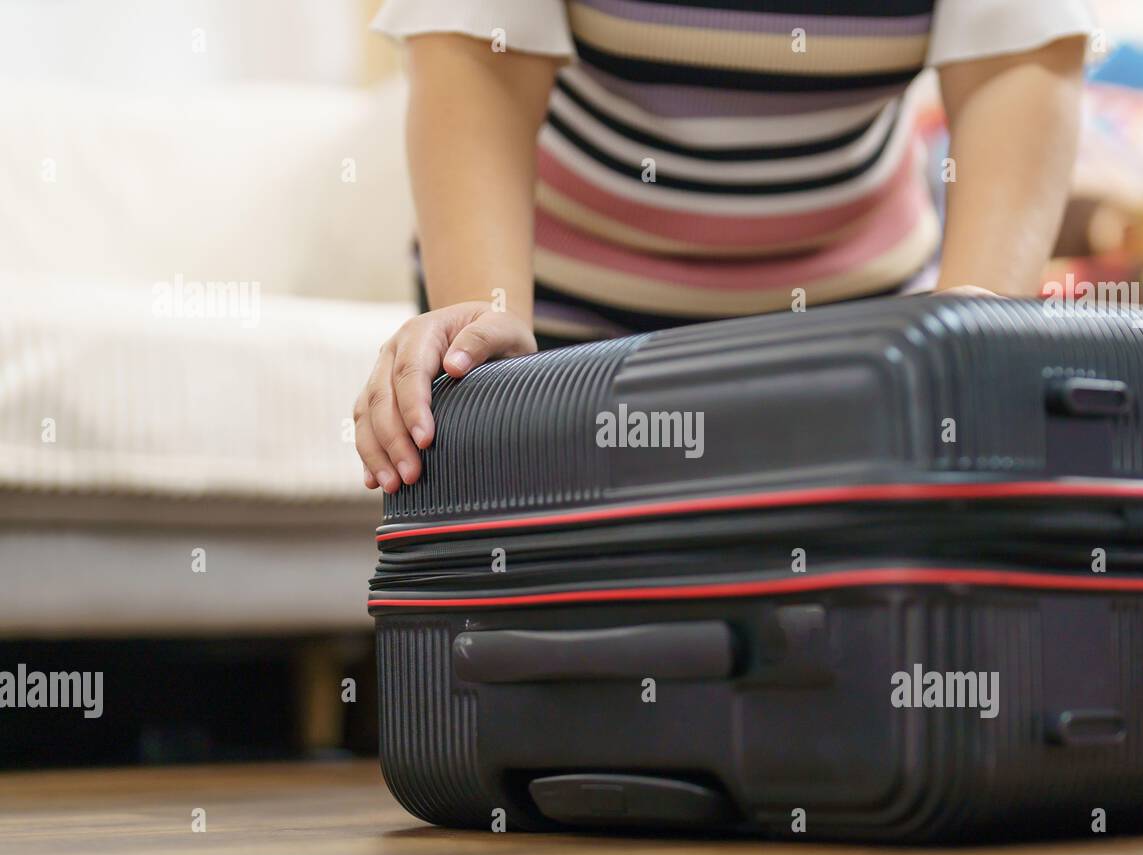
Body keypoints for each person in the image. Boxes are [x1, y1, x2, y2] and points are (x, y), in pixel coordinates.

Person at [354, 0, 1092, 492]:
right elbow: (484, 54)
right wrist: (487, 319)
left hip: (861, 328)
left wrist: (975, 326)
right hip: (557, 331)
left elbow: (1014, 61)